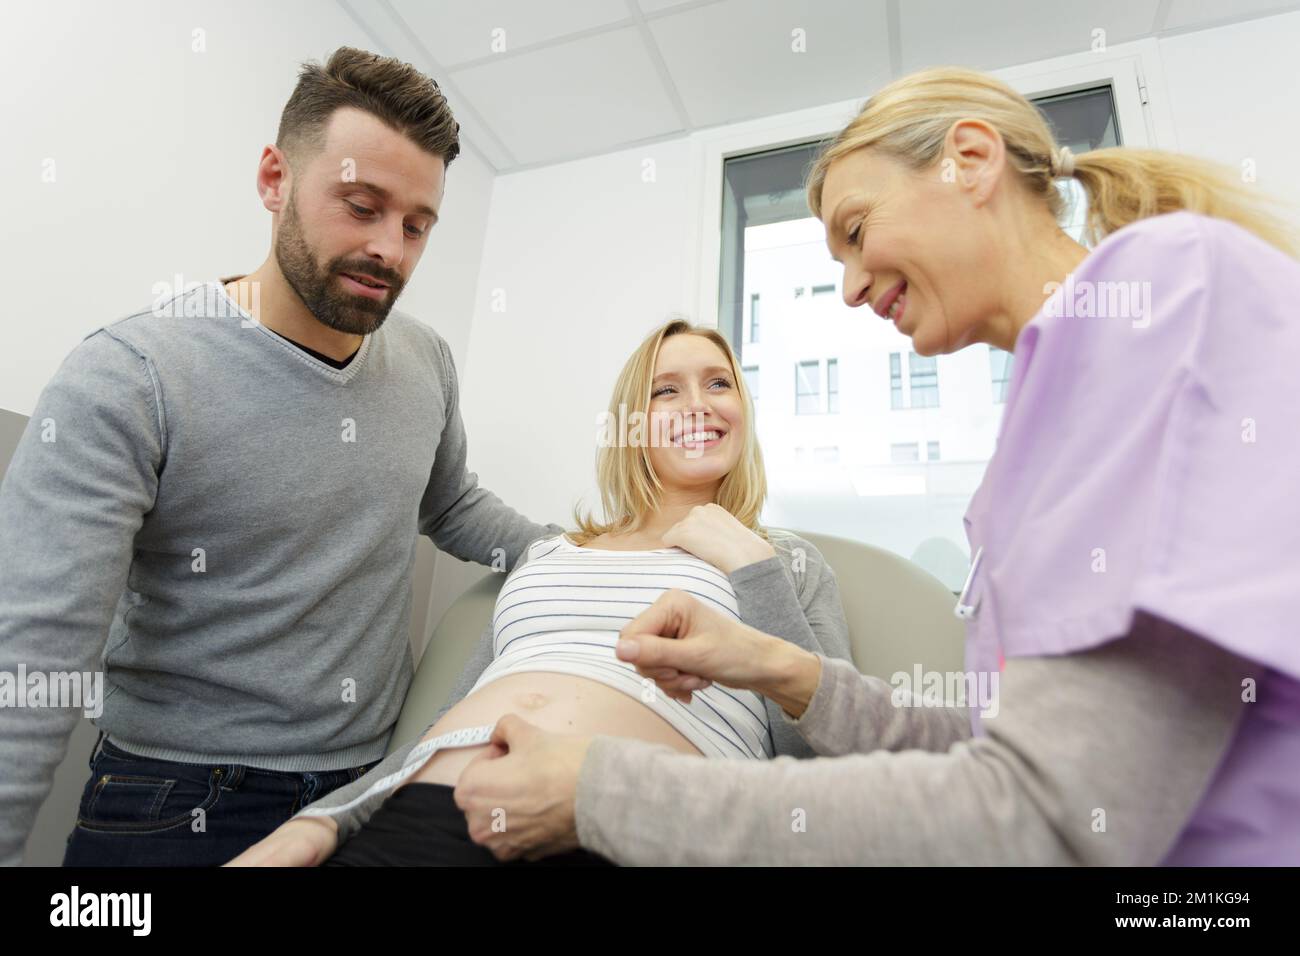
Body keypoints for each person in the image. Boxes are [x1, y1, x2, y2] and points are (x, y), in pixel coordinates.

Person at [444, 66, 1300, 865]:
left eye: (856, 232)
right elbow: (994, 748)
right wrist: (779, 668)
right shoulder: (1034, 434)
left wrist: (603, 789)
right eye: (666, 392)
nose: (850, 289)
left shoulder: (1160, 296)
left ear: (970, 160)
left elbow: (1047, 813)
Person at [0, 47, 561, 867]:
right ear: (274, 178)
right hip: (175, 800)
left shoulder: (426, 362)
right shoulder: (133, 374)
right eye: (361, 205)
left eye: (416, 225)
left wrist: (582, 555)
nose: (392, 251)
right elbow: (35, 655)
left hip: (369, 783)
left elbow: (450, 505)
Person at [226, 319, 854, 865]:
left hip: (637, 828)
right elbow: (446, 721)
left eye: (719, 383)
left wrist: (752, 564)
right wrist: (327, 819)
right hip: (441, 812)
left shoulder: (785, 562)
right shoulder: (549, 554)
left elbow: (819, 761)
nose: (699, 403)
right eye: (667, 390)